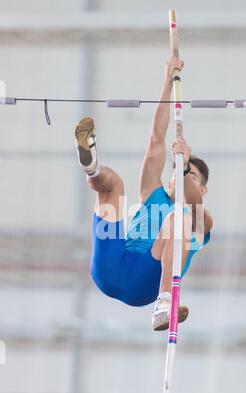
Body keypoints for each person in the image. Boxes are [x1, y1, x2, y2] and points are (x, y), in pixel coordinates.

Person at [75, 57, 213, 331]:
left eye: (190, 176)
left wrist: (184, 167)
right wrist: (167, 82)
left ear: (203, 188)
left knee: (179, 219)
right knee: (113, 184)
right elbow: (156, 139)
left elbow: (193, 203)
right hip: (111, 265)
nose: (178, 175)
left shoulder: (201, 221)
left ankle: (163, 304)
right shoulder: (154, 193)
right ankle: (92, 167)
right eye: (175, 171)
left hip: (145, 283)